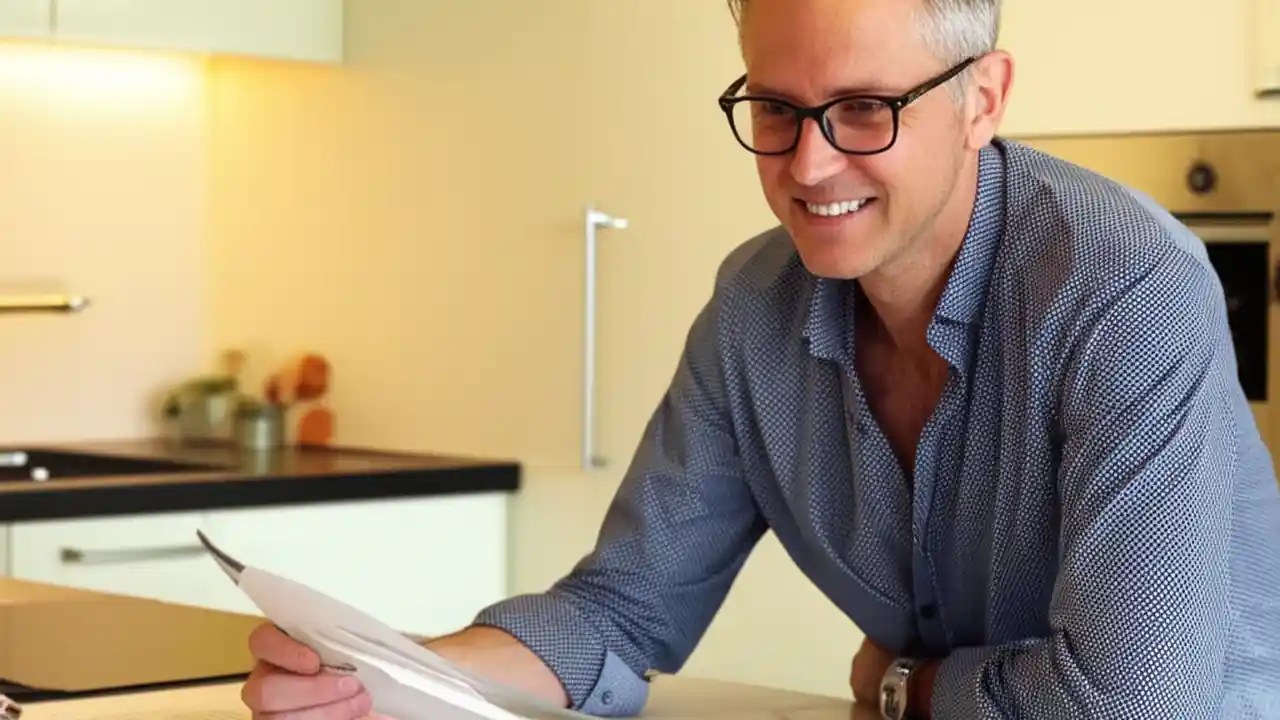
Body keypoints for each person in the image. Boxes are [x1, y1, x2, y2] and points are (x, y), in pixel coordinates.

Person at [240, 0, 1280, 717]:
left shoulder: (1122, 287)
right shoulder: (752, 309)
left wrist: (909, 687)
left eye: (864, 109)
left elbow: (1133, 704)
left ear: (983, 98)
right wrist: (392, 677)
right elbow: (619, 609)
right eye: (776, 110)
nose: (808, 165)